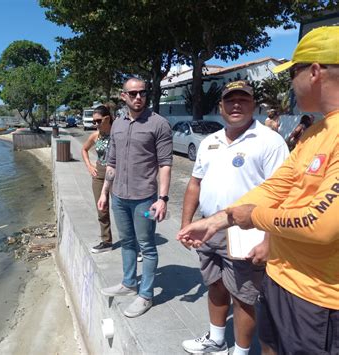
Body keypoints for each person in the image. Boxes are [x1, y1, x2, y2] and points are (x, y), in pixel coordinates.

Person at [177, 26, 339, 354]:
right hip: (283, 279)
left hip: (318, 298)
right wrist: (216, 221)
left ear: (316, 71)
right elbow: (275, 187)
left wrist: (254, 218)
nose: (290, 83)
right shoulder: (315, 132)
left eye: (293, 73)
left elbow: (321, 226)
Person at [180, 80, 289, 355]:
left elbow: (283, 196)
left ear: (254, 105)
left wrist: (269, 241)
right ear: (221, 106)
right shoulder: (209, 142)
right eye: (230, 100)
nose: (236, 104)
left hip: (247, 231)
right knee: (214, 283)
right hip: (208, 227)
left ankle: (240, 351)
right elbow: (195, 183)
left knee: (244, 296)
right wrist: (186, 223)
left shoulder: (270, 141)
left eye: (243, 100)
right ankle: (217, 340)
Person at [97, 77, 173, 318]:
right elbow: (112, 162)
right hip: (119, 196)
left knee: (147, 246)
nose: (138, 97)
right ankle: (129, 283)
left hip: (145, 199)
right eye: (133, 93)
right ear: (124, 96)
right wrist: (104, 193)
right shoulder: (118, 124)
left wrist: (162, 198)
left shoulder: (159, 124)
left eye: (142, 92)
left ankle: (146, 295)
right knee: (127, 242)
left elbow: (165, 164)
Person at [81, 105, 114, 253]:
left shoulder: (118, 133)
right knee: (102, 209)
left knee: (122, 210)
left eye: (98, 121)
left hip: (117, 174)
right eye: (94, 122)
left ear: (107, 118)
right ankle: (106, 241)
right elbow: (84, 149)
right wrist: (89, 166)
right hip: (100, 173)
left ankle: (133, 246)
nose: (95, 124)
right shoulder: (96, 135)